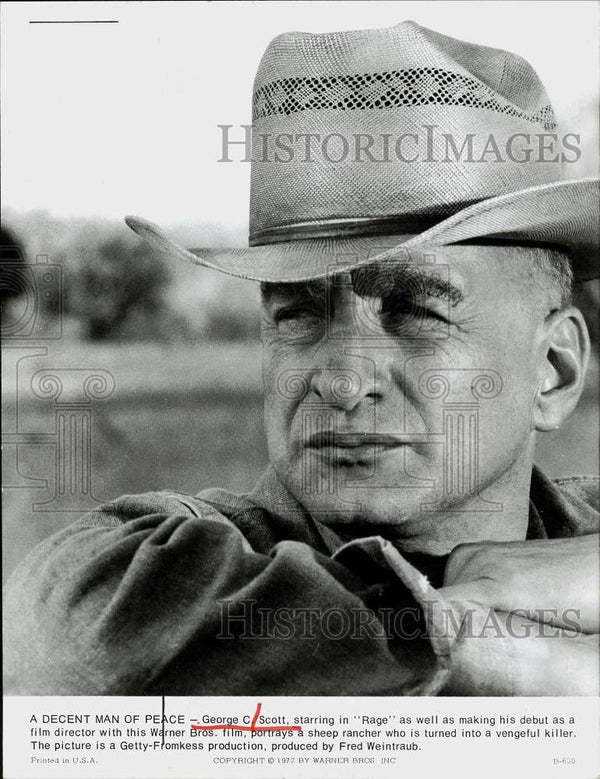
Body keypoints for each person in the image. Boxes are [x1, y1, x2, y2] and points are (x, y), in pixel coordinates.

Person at [4, 20, 598, 696]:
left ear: (554, 371)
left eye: (416, 310)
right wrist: (490, 650)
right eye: (298, 311)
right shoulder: (151, 566)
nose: (341, 379)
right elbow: (58, 634)